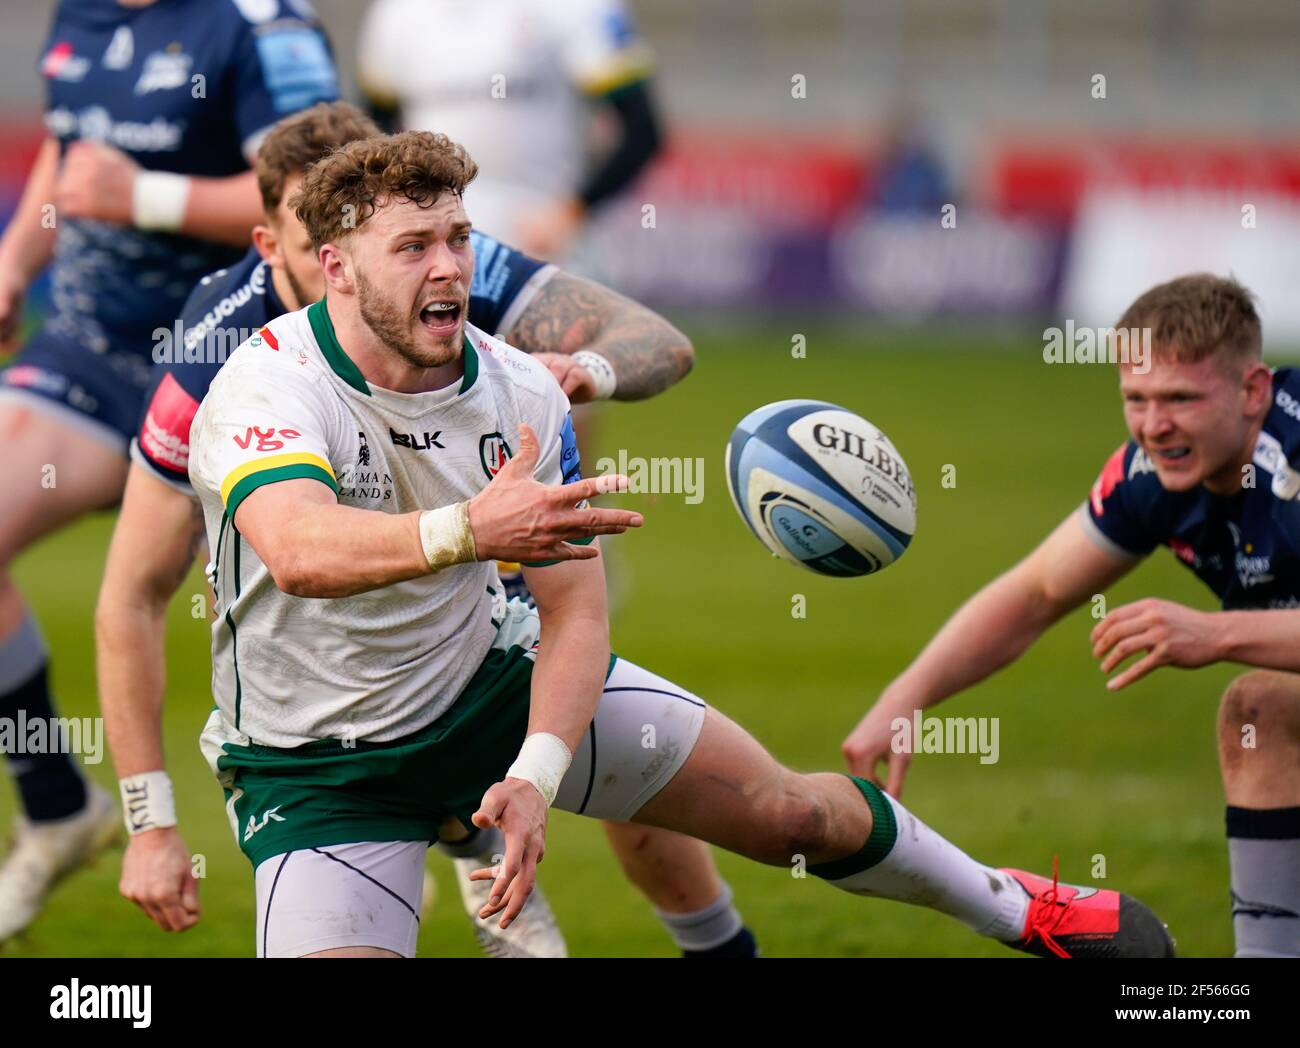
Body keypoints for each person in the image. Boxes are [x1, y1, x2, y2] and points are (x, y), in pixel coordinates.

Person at [182, 129, 1173, 958]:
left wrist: (531, 775)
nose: (448, 266)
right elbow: (300, 547)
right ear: (336, 269)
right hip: (317, 760)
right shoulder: (264, 387)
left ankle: (1016, 908)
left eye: (458, 238)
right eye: (413, 247)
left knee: (790, 814)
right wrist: (471, 530)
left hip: (481, 682)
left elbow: (573, 615)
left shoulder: (520, 388)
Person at [100, 102, 758, 959]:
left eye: (431, 239)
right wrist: (151, 821)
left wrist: (578, 372)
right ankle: (478, 857)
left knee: (633, 766)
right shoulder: (219, 360)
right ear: (284, 250)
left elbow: (658, 343)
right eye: (321, 245)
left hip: (492, 572)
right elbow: (135, 594)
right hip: (338, 651)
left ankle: (710, 941)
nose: (430, 263)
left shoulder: (452, 266)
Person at [0, 0, 337, 942]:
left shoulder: (261, 27)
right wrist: (14, 260)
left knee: (324, 602)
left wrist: (145, 196)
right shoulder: (80, 16)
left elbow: (327, 196)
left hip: (232, 349)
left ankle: (436, 831)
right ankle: (61, 808)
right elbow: (70, 167)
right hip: (88, 350)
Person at [844, 273, 1300, 958]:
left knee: (1257, 703)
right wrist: (905, 697)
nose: (1154, 425)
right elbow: (1036, 594)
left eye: (1180, 398)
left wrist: (1217, 632)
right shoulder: (1154, 474)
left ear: (1253, 390)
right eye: (1136, 399)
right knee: (1261, 711)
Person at [357, 0, 661, 260]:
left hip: (542, 247)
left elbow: (642, 131)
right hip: (431, 243)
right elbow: (372, 133)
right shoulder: (398, 12)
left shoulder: (579, 8)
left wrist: (572, 213)